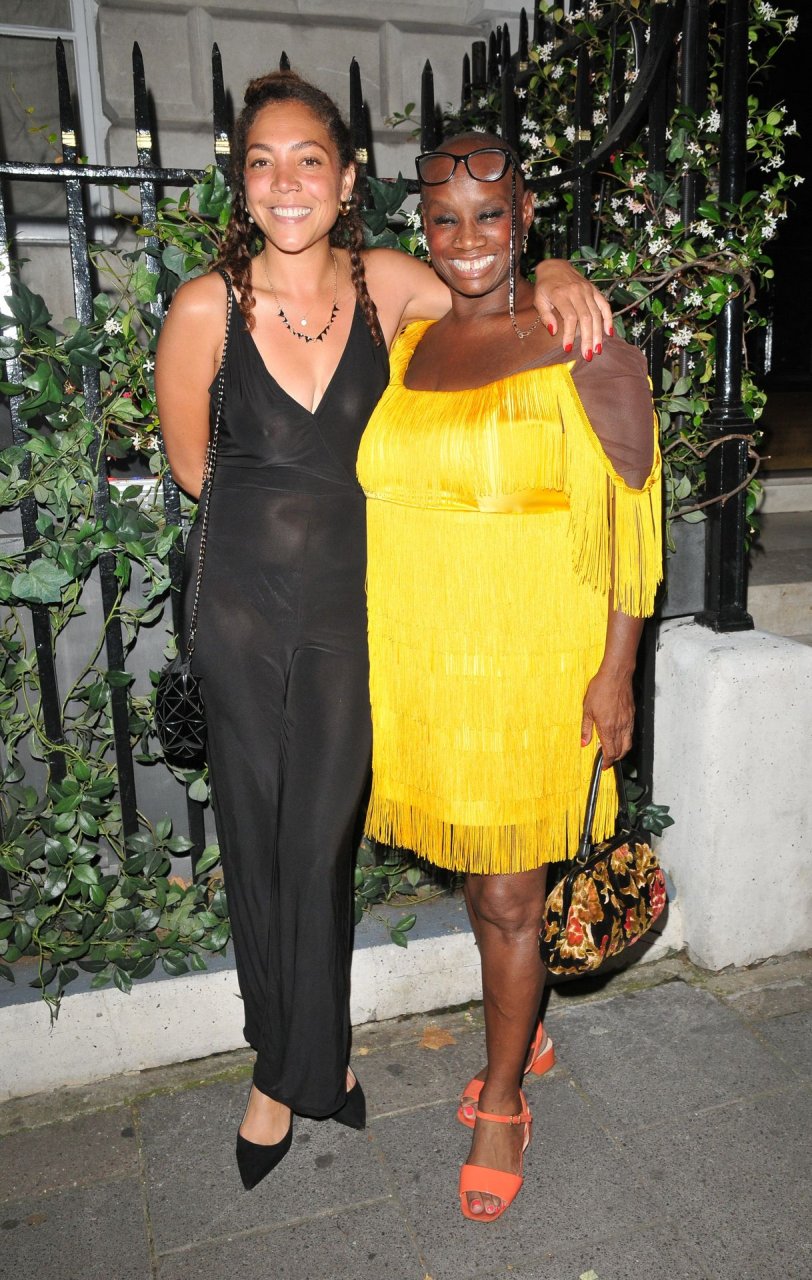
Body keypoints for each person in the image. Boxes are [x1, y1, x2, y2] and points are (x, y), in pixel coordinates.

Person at [155, 72, 612, 1192]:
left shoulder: (387, 286)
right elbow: (194, 472)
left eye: (308, 159)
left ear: (348, 178)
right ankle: (287, 1070)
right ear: (242, 184)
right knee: (256, 847)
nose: (285, 183)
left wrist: (557, 269)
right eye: (261, 163)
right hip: (242, 615)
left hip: (359, 618)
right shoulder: (204, 307)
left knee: (317, 848)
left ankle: (304, 1057)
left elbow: (487, 283)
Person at [357, 134, 662, 1221]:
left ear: (525, 215)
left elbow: (633, 517)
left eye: (490, 215)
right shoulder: (411, 341)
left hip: (533, 666)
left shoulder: (580, 339)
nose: (467, 238)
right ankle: (521, 1031)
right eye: (444, 218)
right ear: (421, 229)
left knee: (505, 892)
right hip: (427, 666)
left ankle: (501, 1098)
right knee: (482, 875)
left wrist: (616, 672)